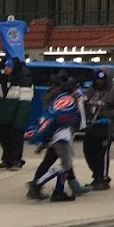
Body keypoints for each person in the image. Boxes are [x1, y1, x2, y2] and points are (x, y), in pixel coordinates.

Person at [28, 72, 87, 202]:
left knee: (62, 163)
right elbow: (57, 119)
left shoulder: (60, 98)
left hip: (61, 136)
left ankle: (59, 192)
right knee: (65, 165)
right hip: (61, 137)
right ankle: (37, 184)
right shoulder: (65, 101)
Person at [82, 70, 114, 190]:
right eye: (97, 79)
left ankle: (103, 179)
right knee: (88, 151)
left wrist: (106, 114)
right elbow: (82, 103)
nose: (99, 82)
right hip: (90, 127)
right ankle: (96, 175)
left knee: (102, 154)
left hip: (105, 128)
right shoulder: (90, 91)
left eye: (102, 79)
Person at [0, 57, 34, 170]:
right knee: (4, 138)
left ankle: (16, 161)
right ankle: (6, 160)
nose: (5, 69)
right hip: (5, 117)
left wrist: (19, 120)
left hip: (16, 116)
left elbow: (24, 103)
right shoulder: (4, 80)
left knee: (16, 138)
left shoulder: (24, 81)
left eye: (8, 66)